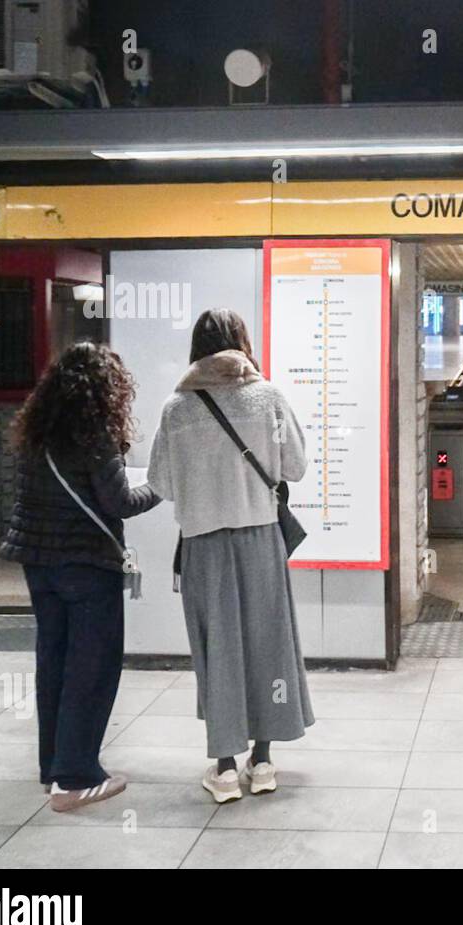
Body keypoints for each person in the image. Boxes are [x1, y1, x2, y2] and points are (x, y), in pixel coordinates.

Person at [147, 308, 313, 803]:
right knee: (268, 644)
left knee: (216, 649)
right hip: (260, 539)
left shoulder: (177, 407)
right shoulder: (268, 397)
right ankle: (262, 761)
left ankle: (223, 768)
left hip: (203, 543)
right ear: (241, 342)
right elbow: (297, 468)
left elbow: (161, 483)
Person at [0, 342, 160, 812]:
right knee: (91, 667)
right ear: (106, 390)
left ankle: (53, 762)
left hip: (39, 563)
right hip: (86, 566)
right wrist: (159, 486)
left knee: (54, 661)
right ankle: (75, 778)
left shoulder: (37, 432)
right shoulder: (95, 433)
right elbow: (120, 502)